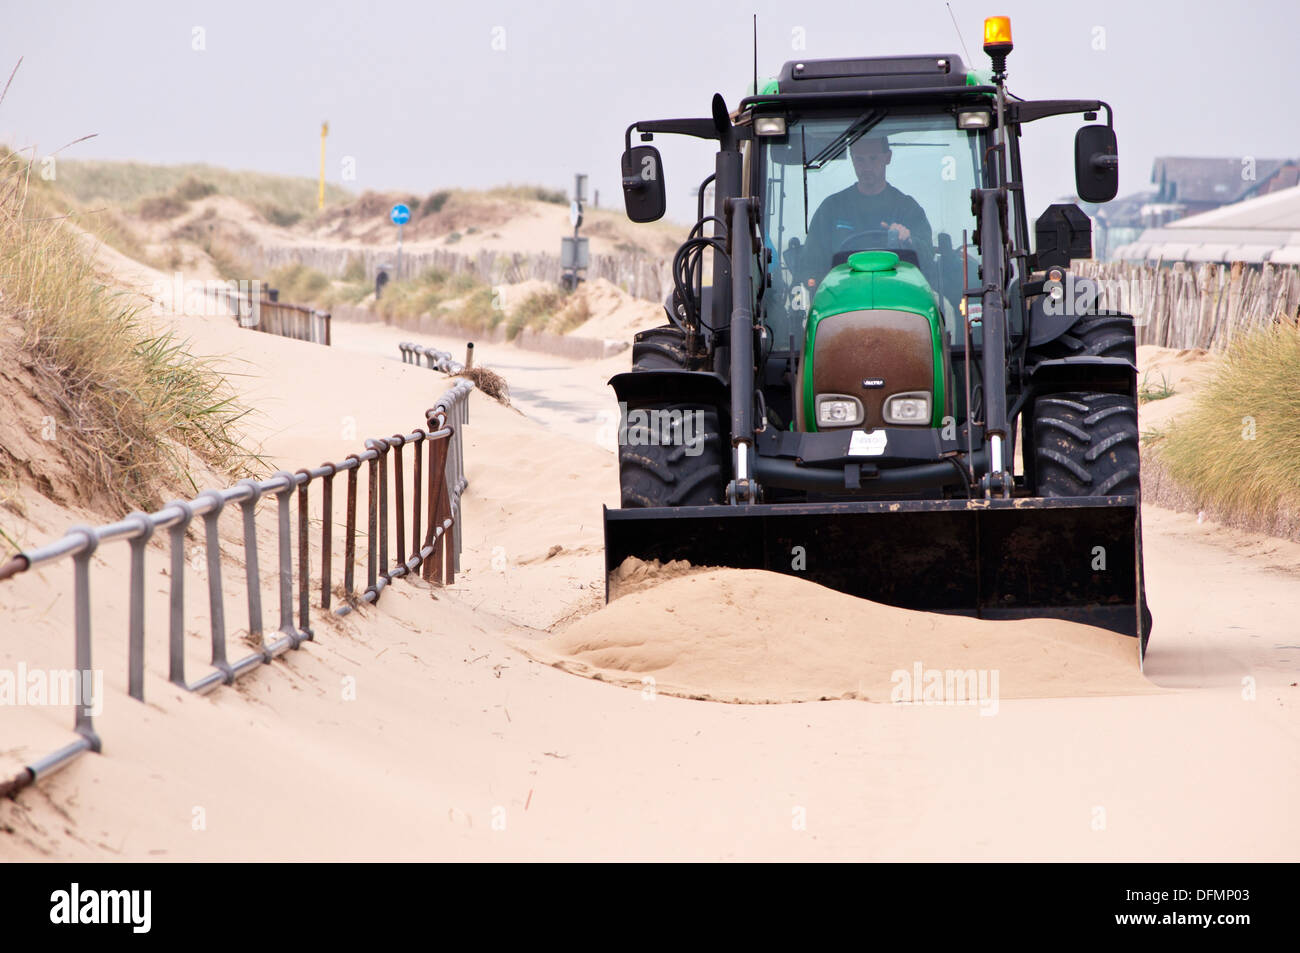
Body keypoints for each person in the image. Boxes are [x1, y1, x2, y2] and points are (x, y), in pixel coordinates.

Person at [798, 135, 934, 286]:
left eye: (873, 158)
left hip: (898, 295)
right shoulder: (831, 209)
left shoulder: (907, 209)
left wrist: (909, 241)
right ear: (852, 159)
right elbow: (811, 265)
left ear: (887, 158)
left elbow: (928, 261)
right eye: (860, 160)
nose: (867, 167)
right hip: (842, 297)